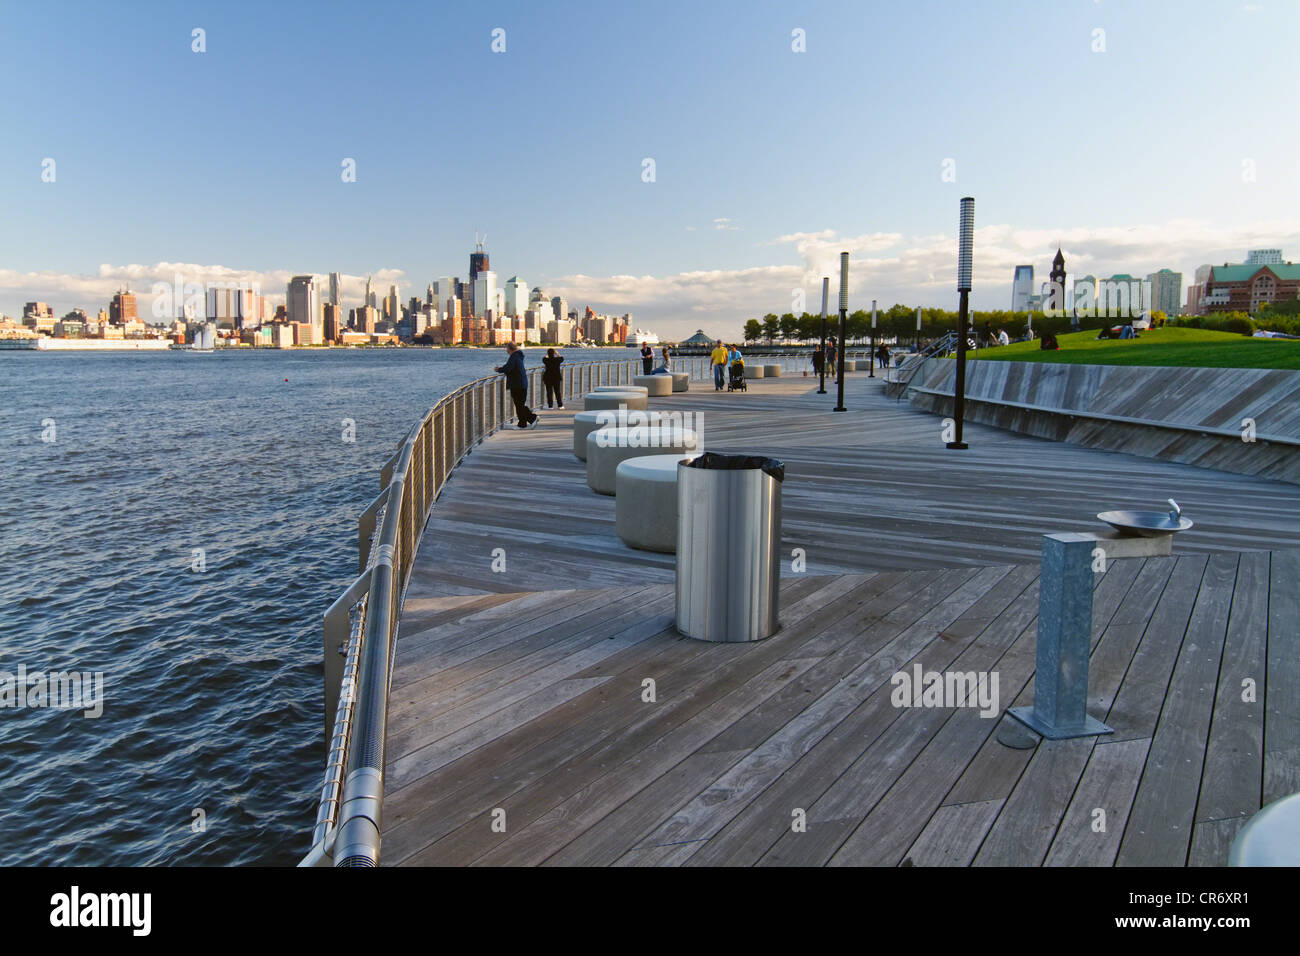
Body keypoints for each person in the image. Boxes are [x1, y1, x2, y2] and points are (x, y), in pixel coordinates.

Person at [495, 342, 538, 428]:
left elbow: (508, 368)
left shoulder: (514, 357)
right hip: (521, 383)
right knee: (520, 404)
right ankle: (528, 420)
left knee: (519, 404)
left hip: (517, 384)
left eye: (507, 348)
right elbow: (511, 367)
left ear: (510, 349)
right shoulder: (518, 356)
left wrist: (498, 369)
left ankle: (528, 421)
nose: (506, 350)